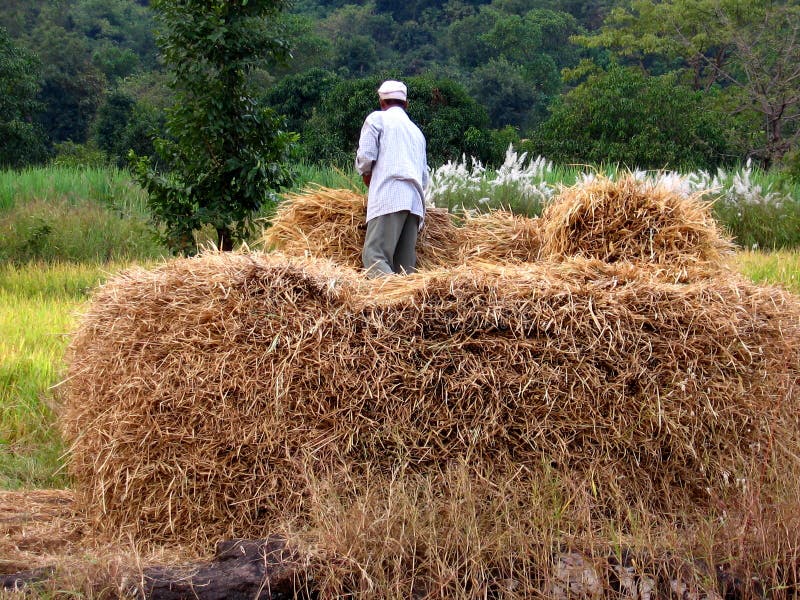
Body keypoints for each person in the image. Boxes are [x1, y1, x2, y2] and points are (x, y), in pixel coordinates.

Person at [355, 80, 429, 277]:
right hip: (414, 202)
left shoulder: (377, 119)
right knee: (404, 267)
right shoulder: (417, 132)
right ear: (406, 104)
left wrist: (367, 177)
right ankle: (405, 304)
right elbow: (424, 176)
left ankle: (391, 297)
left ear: (382, 102)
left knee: (374, 257)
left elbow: (366, 157)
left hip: (389, 194)